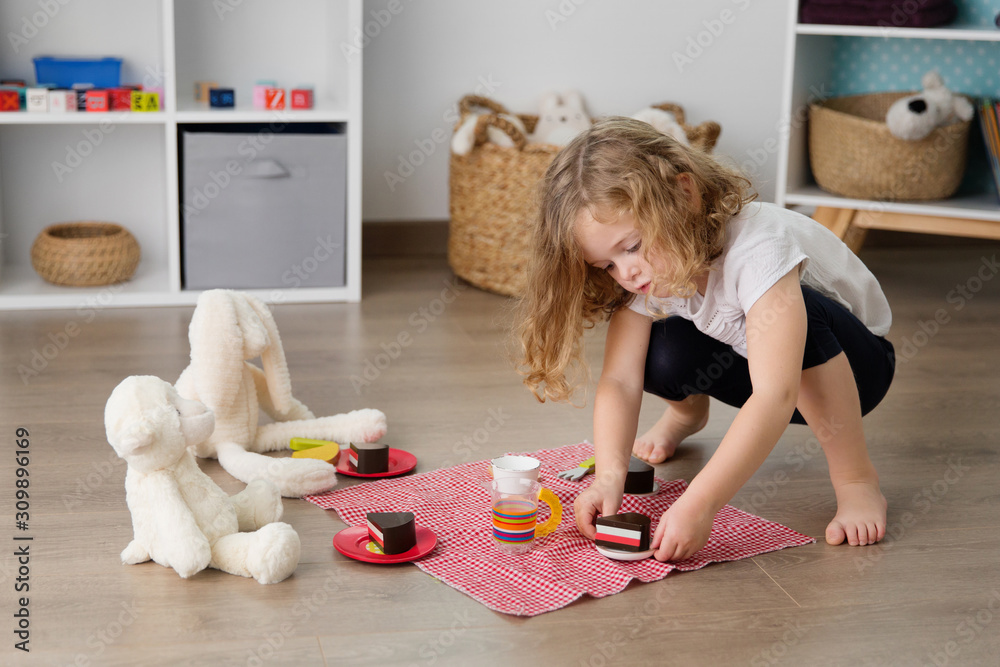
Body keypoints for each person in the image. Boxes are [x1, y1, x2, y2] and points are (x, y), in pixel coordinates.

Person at [515, 118, 895, 562]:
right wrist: (608, 474)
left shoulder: (759, 248)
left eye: (632, 246)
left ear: (684, 195)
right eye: (607, 265)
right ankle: (686, 414)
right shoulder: (648, 269)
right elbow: (620, 380)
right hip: (754, 360)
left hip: (855, 370)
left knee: (803, 315)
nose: (626, 272)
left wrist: (700, 503)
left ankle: (856, 479)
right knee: (654, 350)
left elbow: (776, 394)